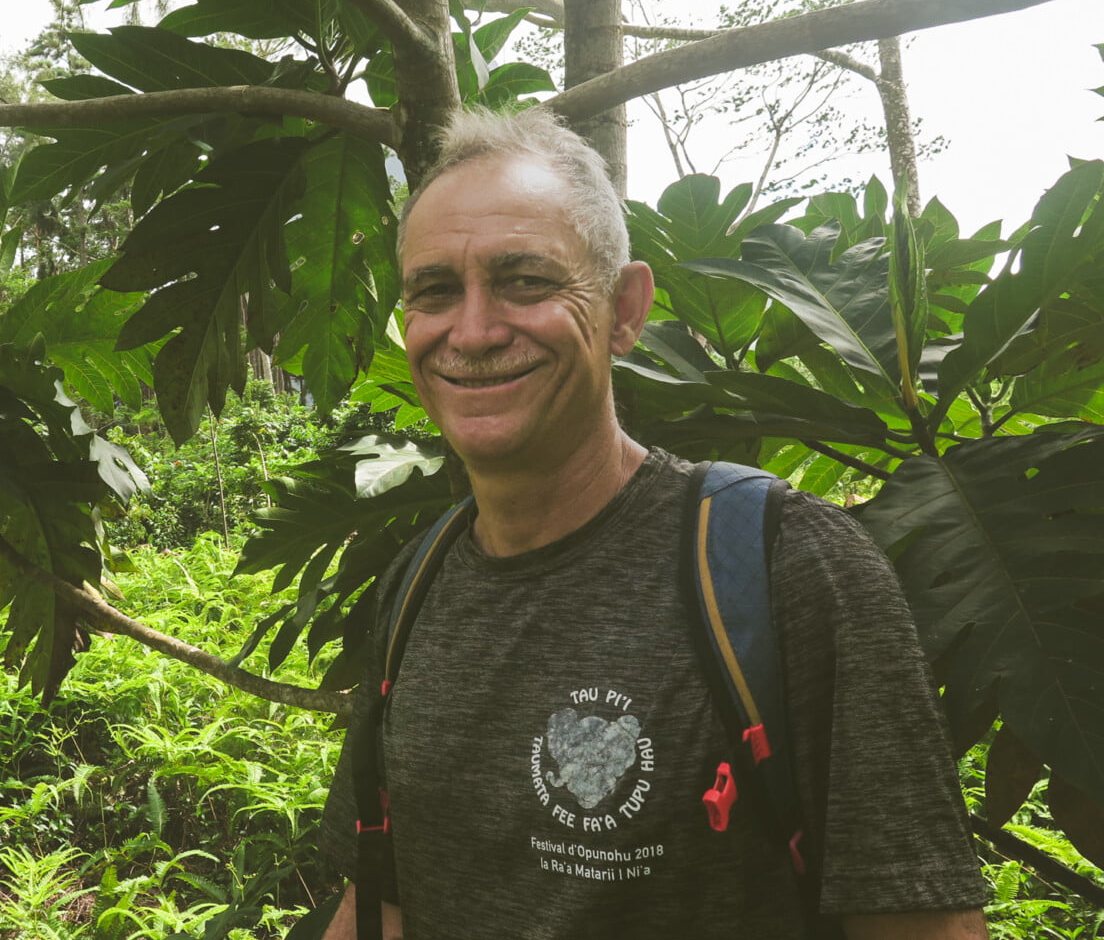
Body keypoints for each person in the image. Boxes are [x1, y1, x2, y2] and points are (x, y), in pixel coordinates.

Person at [318, 107, 988, 940]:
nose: (475, 330)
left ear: (626, 309)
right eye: (435, 291)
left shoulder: (788, 568)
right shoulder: (416, 584)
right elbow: (381, 901)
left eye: (526, 280)